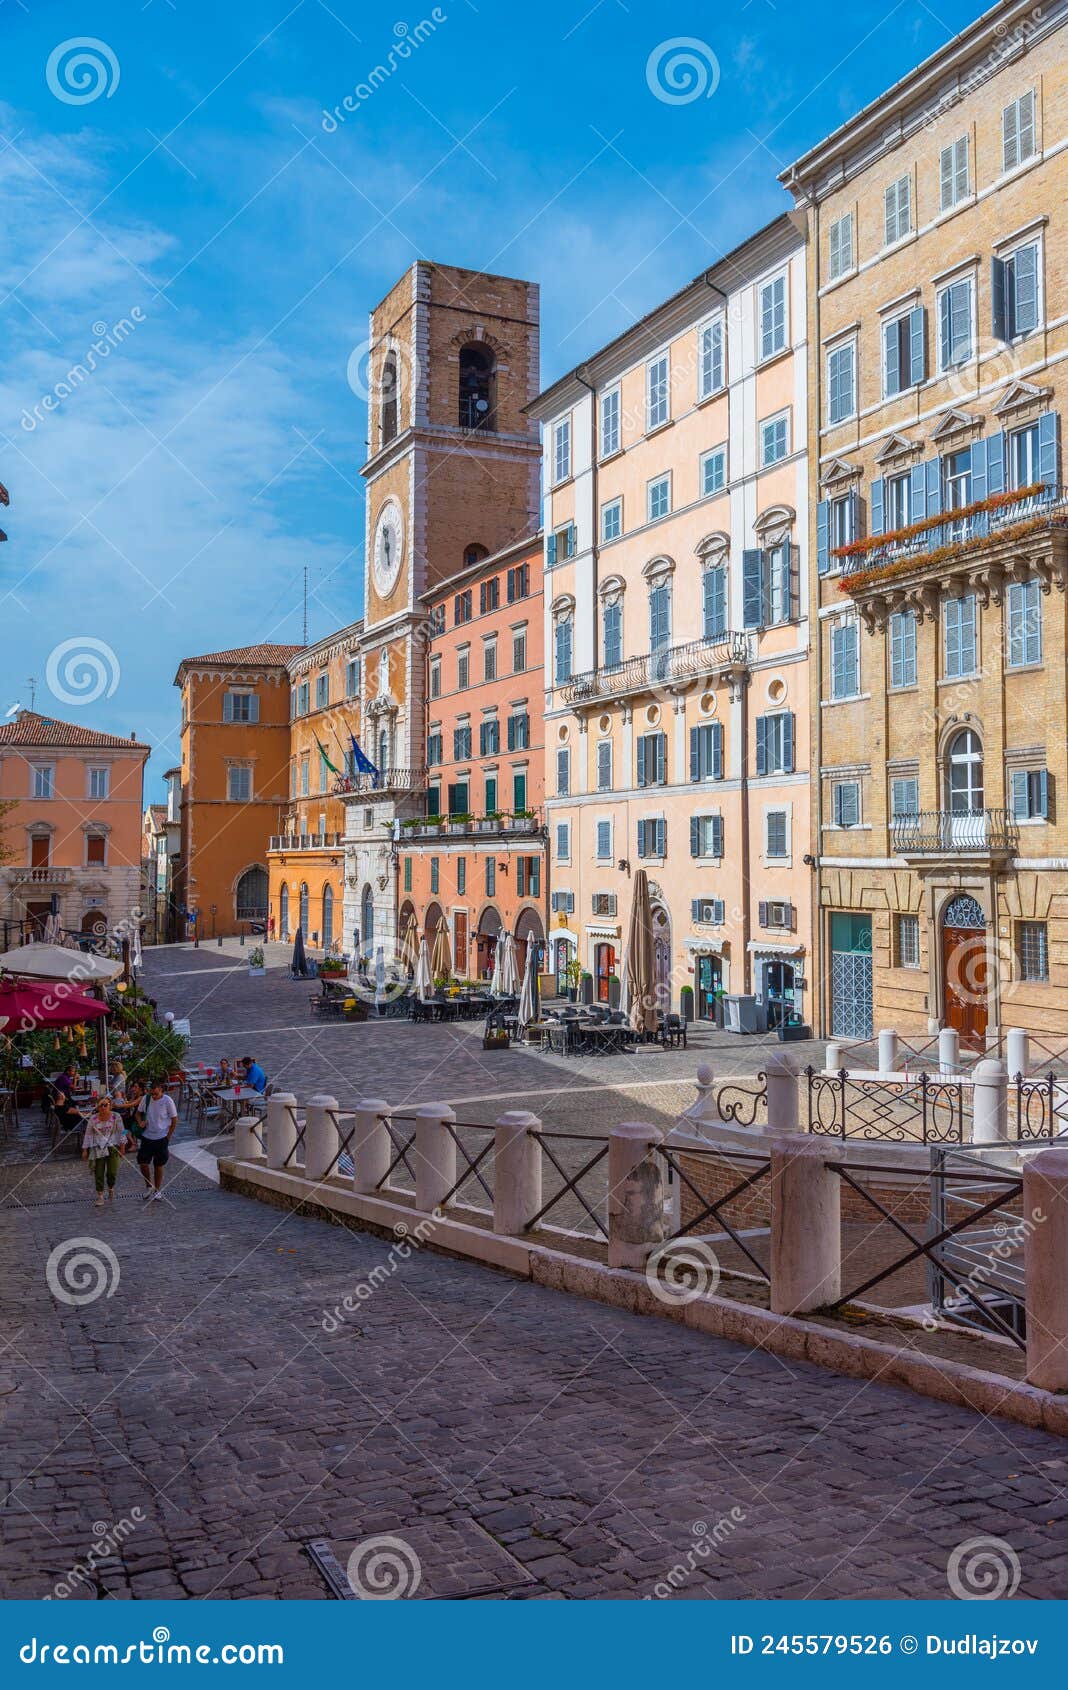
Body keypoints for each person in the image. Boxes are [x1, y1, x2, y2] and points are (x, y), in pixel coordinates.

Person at [82, 1097, 129, 1208]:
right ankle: (100, 1196)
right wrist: (84, 1149)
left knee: (112, 1173)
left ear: (110, 1105)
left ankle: (111, 1187)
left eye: (105, 1105)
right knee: (98, 1173)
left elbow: (122, 1131)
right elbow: (88, 1134)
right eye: (100, 1105)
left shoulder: (116, 1116)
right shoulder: (93, 1119)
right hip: (97, 1148)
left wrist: (122, 1147)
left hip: (112, 1147)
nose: (102, 1107)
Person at [137, 1080, 178, 1202]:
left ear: (162, 1091)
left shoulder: (167, 1101)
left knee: (158, 1165)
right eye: (152, 1093)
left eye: (156, 1094)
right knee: (143, 1163)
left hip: (161, 1136)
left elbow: (174, 1119)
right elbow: (138, 1114)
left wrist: (168, 1137)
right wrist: (140, 1123)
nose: (153, 1096)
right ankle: (149, 1186)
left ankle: (157, 1190)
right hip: (147, 1136)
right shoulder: (147, 1098)